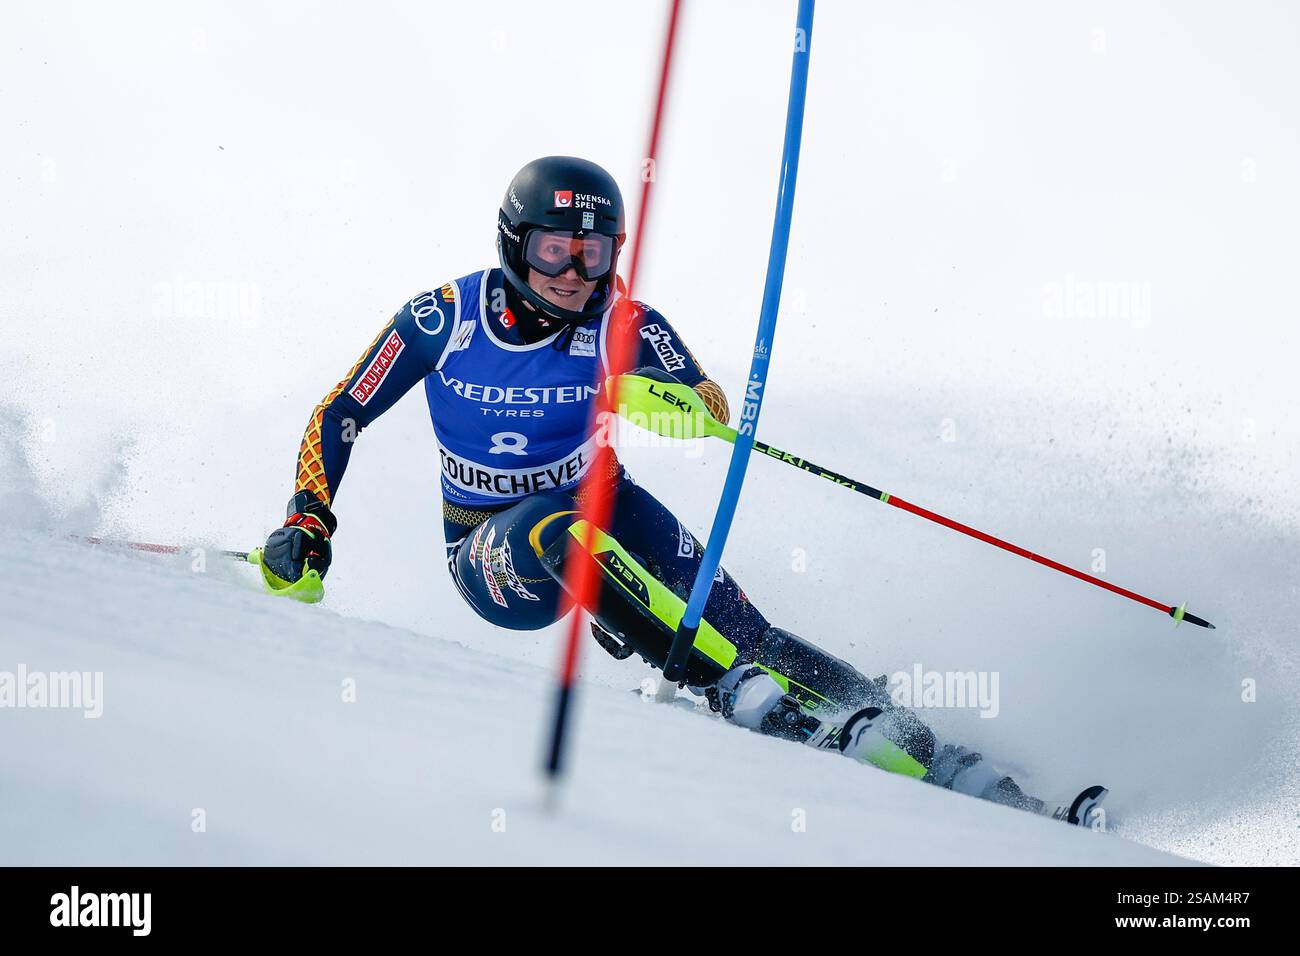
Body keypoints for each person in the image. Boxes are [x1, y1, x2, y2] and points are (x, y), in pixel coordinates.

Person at [257, 156, 1103, 825]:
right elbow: (342, 411)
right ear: (515, 244)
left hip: (607, 505)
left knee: (747, 629)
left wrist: (658, 399)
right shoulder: (443, 319)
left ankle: (936, 752)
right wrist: (308, 518)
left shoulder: (621, 320)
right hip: (492, 548)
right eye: (555, 248)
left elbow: (706, 402)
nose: (573, 270)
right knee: (562, 527)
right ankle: (726, 689)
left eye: (594, 251)